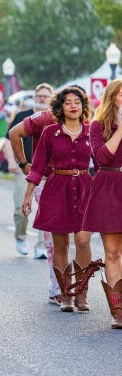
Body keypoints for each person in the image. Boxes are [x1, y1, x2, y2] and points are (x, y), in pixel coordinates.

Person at [21, 86, 93, 313]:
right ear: (60, 107)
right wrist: (28, 194)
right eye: (68, 102)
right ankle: (66, 295)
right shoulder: (50, 132)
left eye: (77, 102)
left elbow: (103, 163)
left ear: (83, 107)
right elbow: (38, 165)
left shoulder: (92, 131)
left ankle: (81, 292)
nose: (73, 105)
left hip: (84, 189)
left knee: (82, 241)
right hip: (56, 190)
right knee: (60, 245)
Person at [82, 79, 122, 328]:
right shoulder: (98, 126)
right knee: (113, 251)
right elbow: (102, 157)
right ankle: (118, 310)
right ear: (111, 98)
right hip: (109, 184)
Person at [6, 84, 54, 256]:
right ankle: (20, 236)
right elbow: (8, 139)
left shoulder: (55, 118)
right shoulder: (22, 116)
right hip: (24, 167)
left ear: (52, 99)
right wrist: (16, 162)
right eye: (39, 95)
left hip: (47, 171)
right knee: (21, 207)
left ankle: (42, 246)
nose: (42, 98)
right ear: (34, 97)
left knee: (46, 209)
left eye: (45, 96)